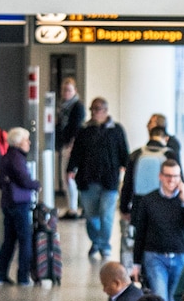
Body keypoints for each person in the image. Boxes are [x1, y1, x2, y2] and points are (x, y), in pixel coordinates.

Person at [130, 157, 184, 301]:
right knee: (161, 300)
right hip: (154, 257)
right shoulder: (148, 200)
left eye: (176, 176)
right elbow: (140, 233)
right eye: (168, 176)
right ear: (160, 176)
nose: (172, 180)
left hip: (179, 257)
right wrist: (136, 263)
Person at [69, 97, 130, 261]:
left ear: (105, 110)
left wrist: (126, 167)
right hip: (88, 179)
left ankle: (104, 245)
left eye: (98, 109)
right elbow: (76, 152)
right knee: (91, 215)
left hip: (109, 180)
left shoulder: (116, 130)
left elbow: (124, 151)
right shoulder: (84, 130)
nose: (95, 113)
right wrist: (71, 168)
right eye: (92, 109)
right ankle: (95, 241)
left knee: (106, 214)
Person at [0, 124, 39, 285]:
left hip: (7, 202)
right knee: (25, 239)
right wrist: (36, 184)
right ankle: (23, 276)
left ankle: (1, 274)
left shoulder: (6, 157)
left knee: (9, 240)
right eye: (26, 140)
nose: (29, 143)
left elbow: (1, 183)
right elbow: (24, 180)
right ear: (19, 142)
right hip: (20, 204)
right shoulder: (17, 158)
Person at [52, 75, 87, 214]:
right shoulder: (62, 107)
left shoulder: (77, 107)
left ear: (75, 91)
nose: (66, 93)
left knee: (69, 175)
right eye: (64, 90)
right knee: (66, 176)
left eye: (69, 90)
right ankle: (72, 206)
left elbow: (76, 126)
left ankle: (74, 207)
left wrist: (72, 143)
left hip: (72, 145)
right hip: (64, 144)